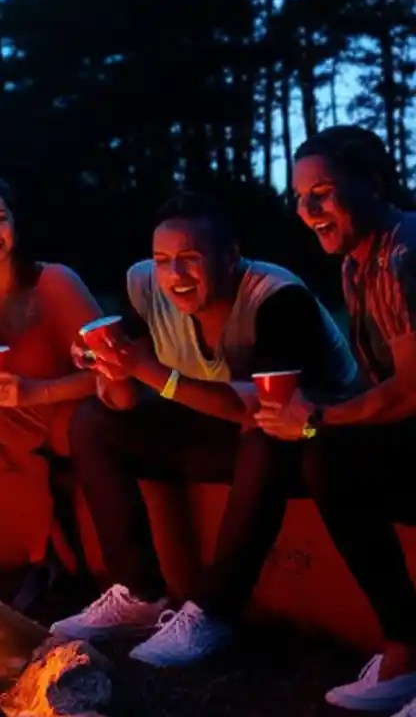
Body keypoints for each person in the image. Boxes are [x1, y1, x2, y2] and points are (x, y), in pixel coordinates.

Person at [50, 192, 358, 668]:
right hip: (221, 433)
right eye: (163, 260)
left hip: (317, 438)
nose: (175, 274)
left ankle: (214, 611)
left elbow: (268, 409)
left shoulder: (277, 298)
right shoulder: (145, 285)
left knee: (265, 433)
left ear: (230, 256)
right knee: (93, 422)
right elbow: (124, 399)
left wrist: (151, 372)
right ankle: (138, 593)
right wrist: (105, 361)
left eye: (190, 258)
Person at [256, 125, 416, 714]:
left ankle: (406, 647)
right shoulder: (355, 264)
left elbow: (410, 392)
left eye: (322, 193)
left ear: (373, 183)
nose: (308, 210)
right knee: (322, 454)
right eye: (300, 198)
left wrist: (318, 417)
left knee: (330, 452)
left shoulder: (405, 252)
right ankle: (405, 644)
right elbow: (378, 389)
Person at [0, 175, 101, 593]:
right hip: (0, 415)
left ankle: (46, 555)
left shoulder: (54, 283)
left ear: (15, 225)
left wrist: (32, 391)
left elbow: (110, 372)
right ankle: (44, 550)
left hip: (58, 406)